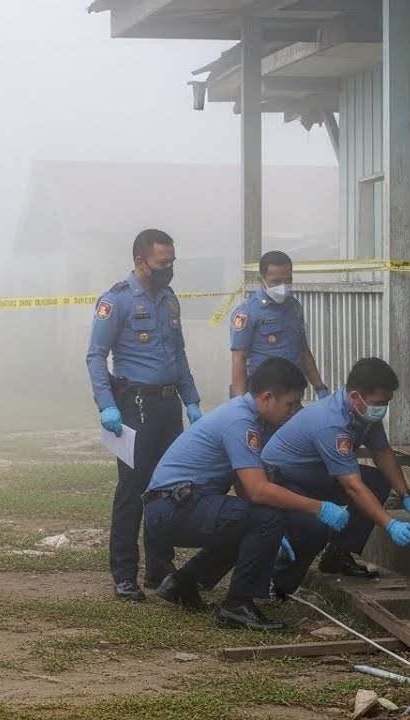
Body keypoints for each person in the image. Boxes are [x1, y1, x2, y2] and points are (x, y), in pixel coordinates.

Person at [144, 358, 351, 630]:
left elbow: (245, 484)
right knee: (265, 517)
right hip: (172, 508)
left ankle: (182, 584)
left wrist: (267, 537)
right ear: (267, 398)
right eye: (290, 403)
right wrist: (320, 508)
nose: (294, 411)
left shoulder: (247, 415)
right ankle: (237, 605)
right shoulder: (240, 421)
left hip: (173, 506)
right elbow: (257, 490)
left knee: (253, 521)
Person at [86, 228, 202, 600]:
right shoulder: (115, 300)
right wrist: (106, 404)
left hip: (169, 407)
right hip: (133, 408)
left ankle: (159, 567)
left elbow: (179, 355)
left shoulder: (169, 301)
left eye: (171, 262)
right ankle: (124, 574)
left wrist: (192, 401)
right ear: (140, 262)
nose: (168, 269)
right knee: (133, 490)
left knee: (167, 488)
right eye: (161, 263)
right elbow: (95, 356)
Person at [261, 357, 410, 594]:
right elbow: (353, 486)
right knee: (314, 530)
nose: (382, 409)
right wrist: (389, 523)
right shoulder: (332, 423)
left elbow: (382, 452)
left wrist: (405, 494)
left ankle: (338, 555)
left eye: (386, 403)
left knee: (377, 481)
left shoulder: (363, 412)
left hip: (319, 474)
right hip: (284, 480)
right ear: (355, 396)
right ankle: (276, 585)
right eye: (379, 403)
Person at [229, 250, 328, 399]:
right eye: (276, 281)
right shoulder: (247, 312)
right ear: (261, 279)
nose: (283, 286)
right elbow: (238, 359)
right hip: (263, 397)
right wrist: (239, 402)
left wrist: (320, 388)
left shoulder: (294, 307)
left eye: (288, 280)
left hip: (293, 393)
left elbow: (303, 351)